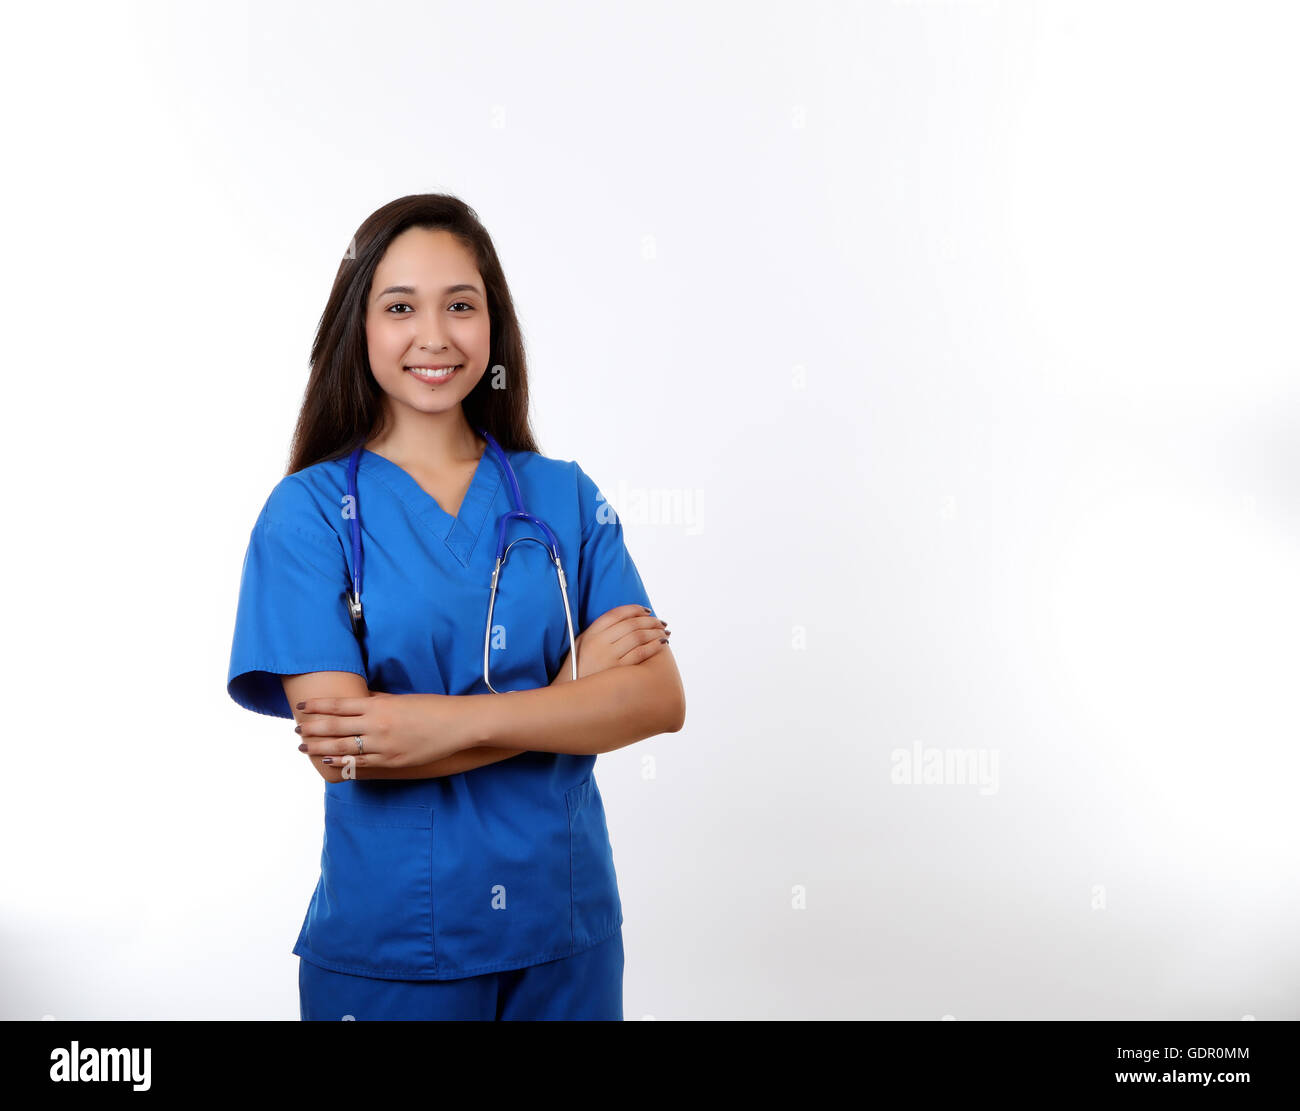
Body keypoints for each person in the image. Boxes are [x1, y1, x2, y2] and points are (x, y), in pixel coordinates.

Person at [226, 194, 686, 1020]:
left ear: (493, 326)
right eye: (400, 306)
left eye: (460, 306)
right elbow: (349, 747)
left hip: (567, 936)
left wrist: (427, 724)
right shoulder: (308, 513)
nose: (433, 335)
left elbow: (656, 699)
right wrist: (569, 696)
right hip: (394, 948)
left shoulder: (564, 498)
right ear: (357, 327)